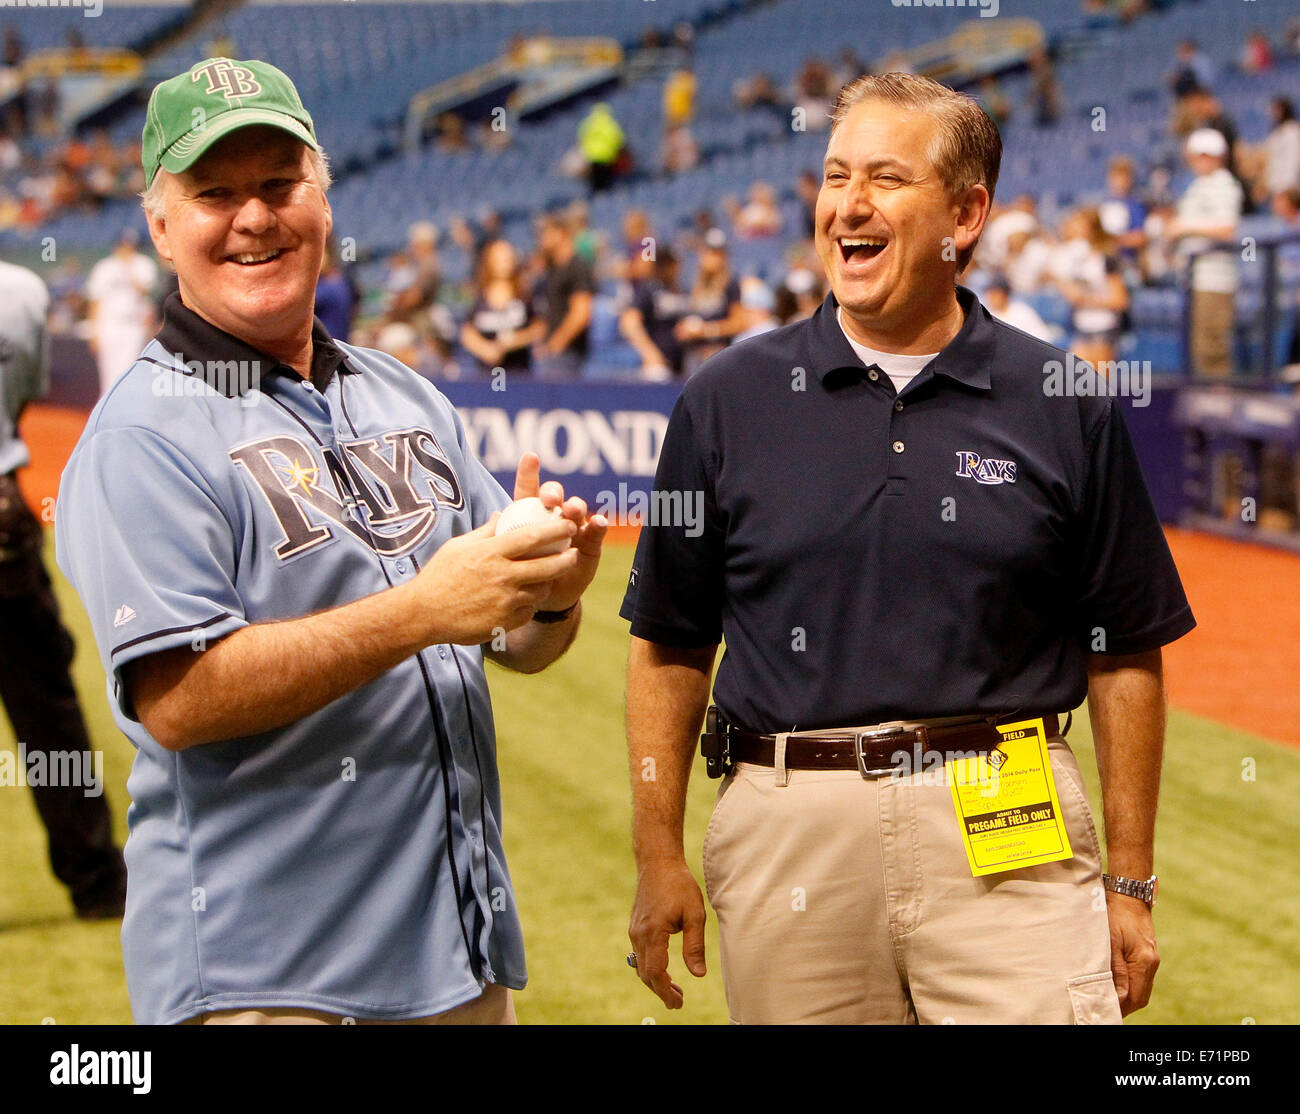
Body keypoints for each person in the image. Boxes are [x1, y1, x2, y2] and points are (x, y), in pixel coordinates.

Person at [621, 72, 1194, 1025]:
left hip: (1006, 808)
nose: (848, 203)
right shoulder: (726, 399)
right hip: (789, 820)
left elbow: (1125, 648)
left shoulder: (1063, 400)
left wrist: (1128, 883)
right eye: (836, 174)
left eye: (887, 178)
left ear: (966, 214)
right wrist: (657, 856)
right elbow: (671, 642)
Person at [54, 58, 608, 1026]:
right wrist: (424, 610)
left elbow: (510, 641)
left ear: (324, 194)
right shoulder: (142, 433)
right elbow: (180, 698)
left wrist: (551, 593)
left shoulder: (401, 392)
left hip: (456, 955)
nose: (255, 217)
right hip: (272, 983)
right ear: (159, 226)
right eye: (215, 193)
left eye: (279, 184)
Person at [0, 259, 128, 920]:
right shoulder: (20, 291)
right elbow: (21, 394)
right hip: (3, 519)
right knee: (47, 710)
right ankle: (97, 879)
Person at [1168, 128, 1243, 378]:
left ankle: (1221, 405)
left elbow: (1226, 228)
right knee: (1200, 346)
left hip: (1215, 278)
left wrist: (1183, 227)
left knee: (1213, 345)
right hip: (1196, 276)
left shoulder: (1224, 184)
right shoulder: (1199, 186)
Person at [85, 226, 158, 396]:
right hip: (109, 324)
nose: (126, 248)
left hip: (133, 325)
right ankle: (108, 412)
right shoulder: (104, 267)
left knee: (129, 368)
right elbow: (95, 301)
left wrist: (128, 268)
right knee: (108, 373)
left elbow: (144, 292)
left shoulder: (143, 264)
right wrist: (93, 331)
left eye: (130, 245)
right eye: (123, 244)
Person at [460, 238, 541, 375]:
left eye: (508, 257)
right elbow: (467, 332)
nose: (505, 262)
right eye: (499, 258)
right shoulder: (479, 295)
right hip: (485, 375)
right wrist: (485, 349)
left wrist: (515, 341)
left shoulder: (524, 294)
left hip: (519, 372)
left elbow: (539, 328)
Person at [530, 211, 595, 378]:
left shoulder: (577, 267)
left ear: (560, 233)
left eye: (545, 233)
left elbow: (581, 313)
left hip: (567, 355)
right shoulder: (553, 268)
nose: (541, 239)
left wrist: (555, 344)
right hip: (550, 354)